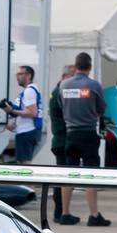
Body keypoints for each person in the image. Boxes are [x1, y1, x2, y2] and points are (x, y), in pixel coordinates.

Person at [58, 53, 110, 226]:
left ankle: (65, 213)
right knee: (90, 175)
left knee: (68, 174)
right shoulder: (94, 85)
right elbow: (101, 108)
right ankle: (94, 215)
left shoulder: (64, 85)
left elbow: (61, 105)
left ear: (76, 65)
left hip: (70, 133)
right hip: (88, 133)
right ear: (89, 67)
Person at [46, 64, 77, 222]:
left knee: (62, 178)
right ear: (65, 76)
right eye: (73, 76)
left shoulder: (57, 91)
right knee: (64, 179)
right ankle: (60, 212)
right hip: (63, 140)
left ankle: (60, 212)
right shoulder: (60, 93)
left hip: (60, 140)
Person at [2, 65, 43, 165]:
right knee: (22, 163)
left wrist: (12, 111)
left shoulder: (29, 91)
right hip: (27, 131)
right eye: (17, 74)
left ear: (29, 76)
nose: (17, 77)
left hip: (27, 131)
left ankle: (29, 181)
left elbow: (32, 113)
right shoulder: (30, 90)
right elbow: (25, 111)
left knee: (24, 164)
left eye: (20, 74)